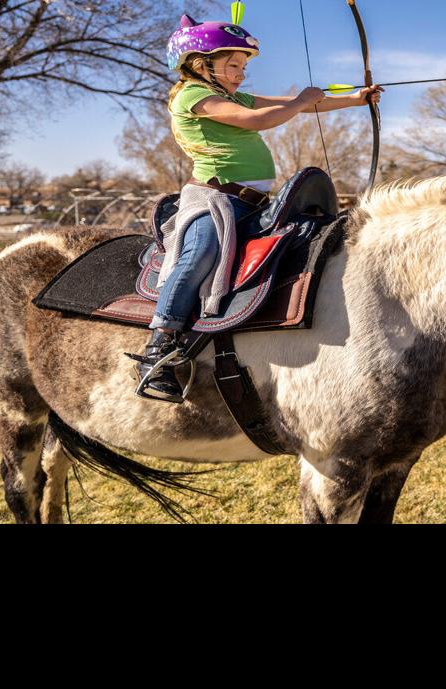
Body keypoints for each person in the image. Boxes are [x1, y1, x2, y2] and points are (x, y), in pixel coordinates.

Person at [134, 12, 382, 402]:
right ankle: (158, 347)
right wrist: (301, 98)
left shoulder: (231, 95)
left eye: (244, 66)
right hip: (214, 200)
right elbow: (256, 120)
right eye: (233, 64)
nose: (241, 72)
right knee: (201, 253)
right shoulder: (193, 95)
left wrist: (355, 100)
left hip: (253, 203)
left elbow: (297, 106)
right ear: (201, 64)